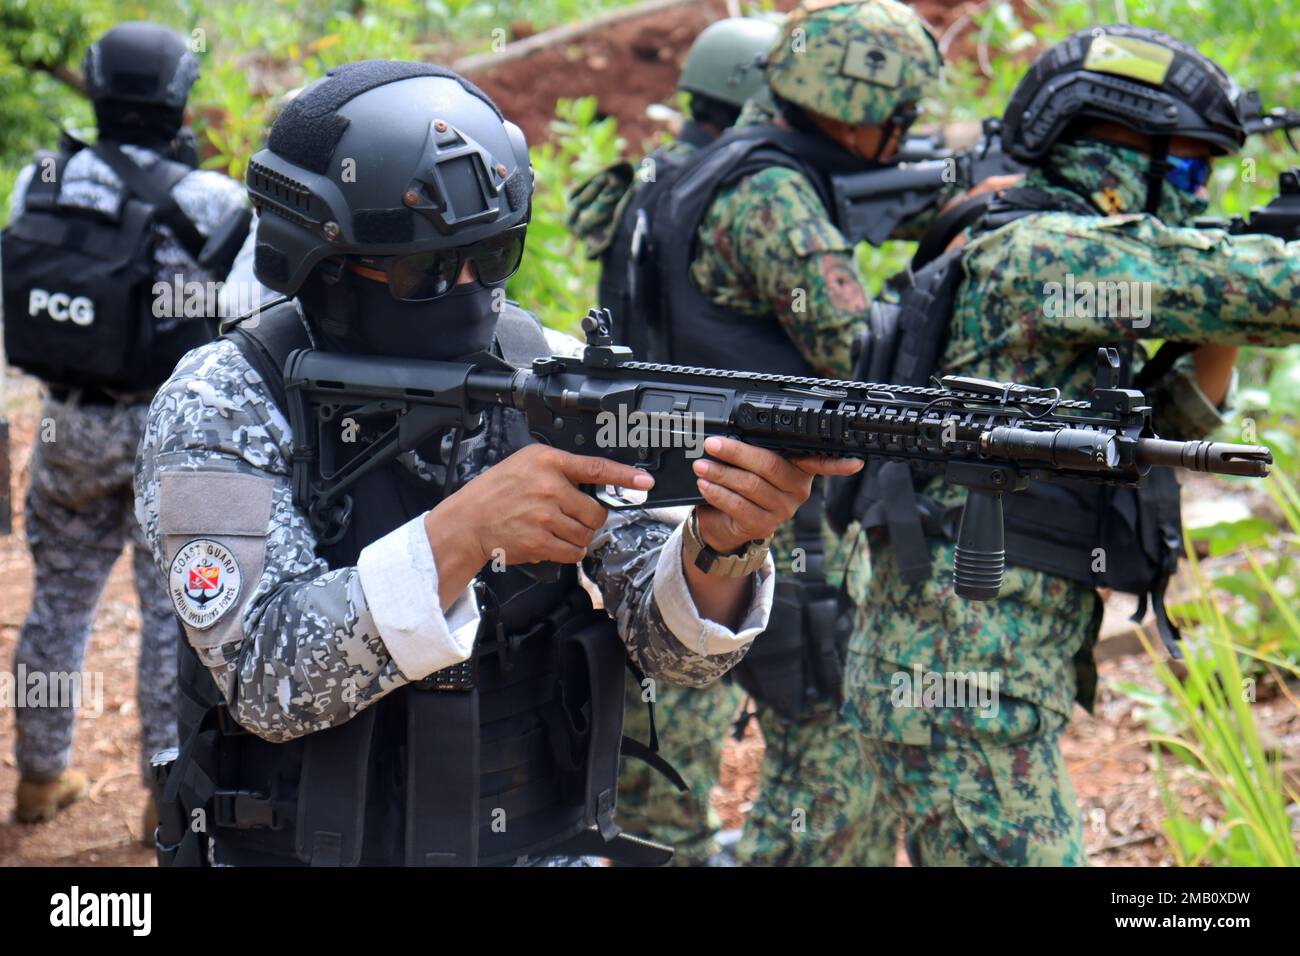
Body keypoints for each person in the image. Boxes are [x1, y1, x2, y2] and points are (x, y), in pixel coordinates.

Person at [134, 60, 860, 866]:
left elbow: (675, 654)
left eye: (495, 253)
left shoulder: (544, 373)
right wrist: (464, 533)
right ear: (323, 263)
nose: (472, 291)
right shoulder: (223, 403)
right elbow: (270, 681)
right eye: (428, 271)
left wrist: (721, 545)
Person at [837, 24, 1300, 865]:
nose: (1195, 197)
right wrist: (1241, 275)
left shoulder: (1040, 251)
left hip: (983, 675)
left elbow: (1165, 430)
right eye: (1190, 170)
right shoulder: (1044, 252)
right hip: (962, 679)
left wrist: (1218, 321)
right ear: (1115, 150)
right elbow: (1280, 289)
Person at [616, 0, 967, 867]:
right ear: (860, 106)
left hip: (666, 494)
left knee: (660, 783)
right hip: (768, 512)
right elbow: (859, 352)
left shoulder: (691, 167)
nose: (906, 125)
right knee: (832, 769)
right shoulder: (773, 191)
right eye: (901, 110)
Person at [0, 22, 248, 827]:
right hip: (168, 435)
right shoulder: (210, 200)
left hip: (65, 429)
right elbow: (248, 314)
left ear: (98, 90)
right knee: (170, 618)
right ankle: (160, 800)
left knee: (60, 603)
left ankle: (39, 779)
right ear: (176, 98)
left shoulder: (38, 181)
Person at [568, 13, 779, 867]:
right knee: (680, 763)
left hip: (646, 476)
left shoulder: (644, 180)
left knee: (660, 752)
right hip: (709, 484)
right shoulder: (742, 194)